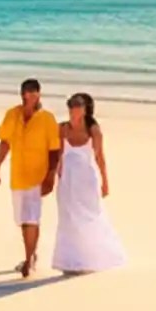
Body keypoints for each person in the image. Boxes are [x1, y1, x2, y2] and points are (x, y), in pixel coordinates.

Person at [0, 78, 61, 278]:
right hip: (17, 176)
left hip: (37, 176)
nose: (27, 95)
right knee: (23, 220)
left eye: (31, 91)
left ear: (39, 93)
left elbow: (54, 150)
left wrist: (50, 175)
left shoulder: (47, 119)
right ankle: (31, 254)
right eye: (24, 92)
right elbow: (5, 143)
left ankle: (29, 259)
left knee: (32, 218)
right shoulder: (12, 114)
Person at [51, 92, 126, 274]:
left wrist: (105, 182)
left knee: (90, 216)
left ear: (85, 110)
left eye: (77, 107)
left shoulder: (93, 130)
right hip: (67, 181)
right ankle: (70, 262)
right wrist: (53, 178)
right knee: (68, 219)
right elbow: (57, 156)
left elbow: (100, 157)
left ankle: (91, 258)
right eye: (71, 107)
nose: (73, 111)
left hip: (87, 180)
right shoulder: (62, 129)